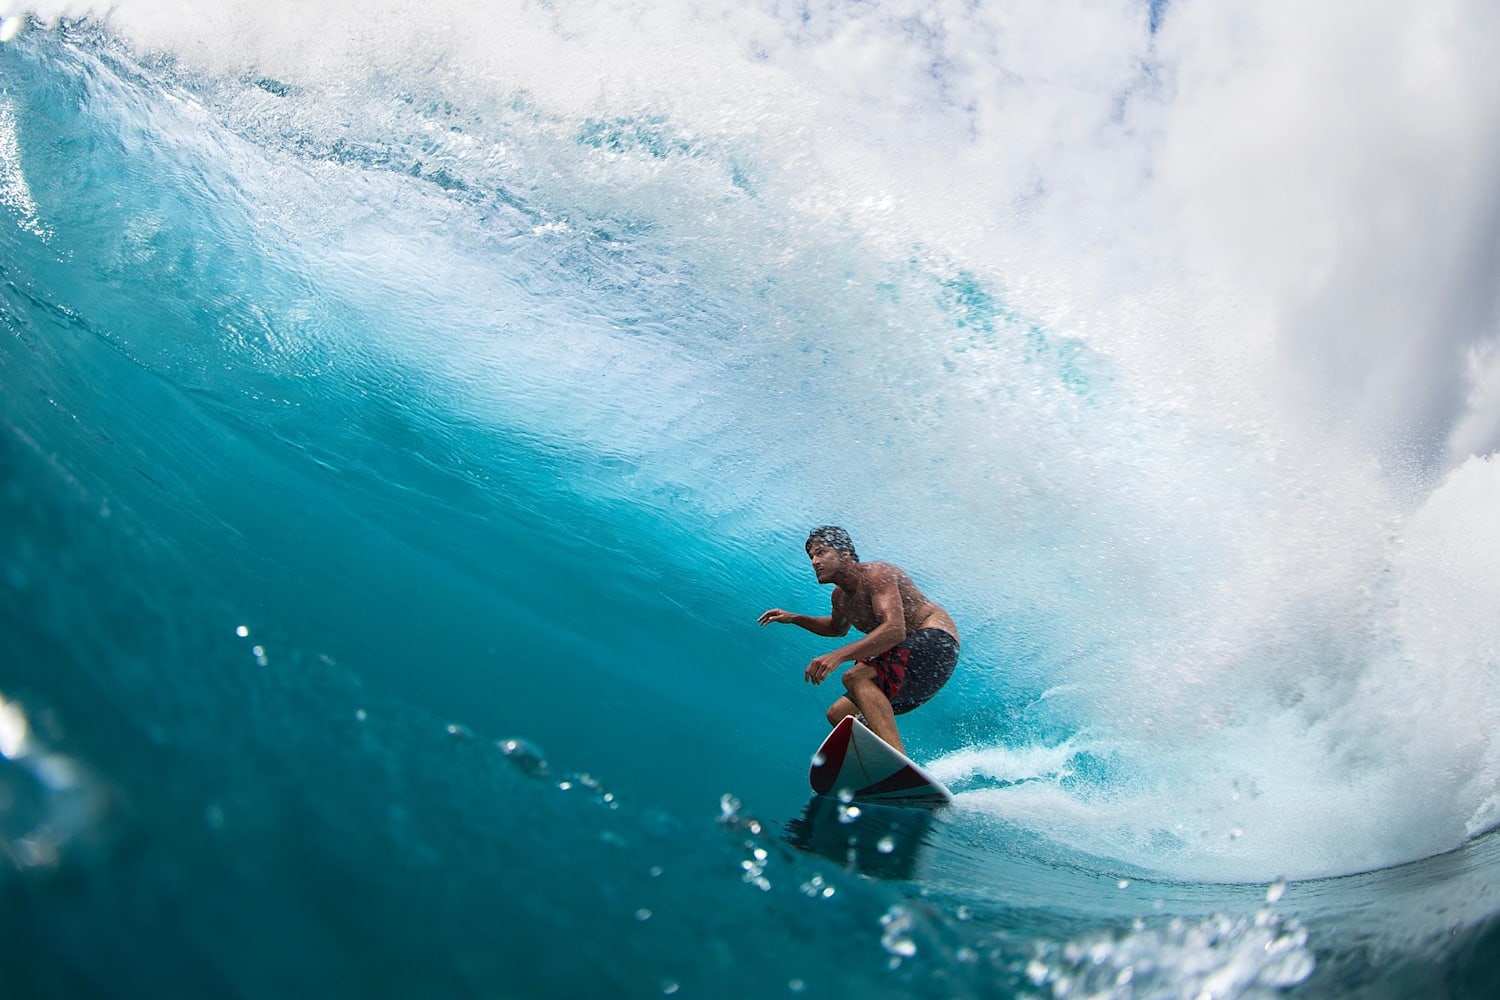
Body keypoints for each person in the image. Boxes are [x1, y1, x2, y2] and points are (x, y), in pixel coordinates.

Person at [758, 526, 959, 755]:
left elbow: (895, 630)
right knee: (840, 714)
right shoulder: (841, 598)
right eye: (811, 556)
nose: (814, 561)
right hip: (909, 660)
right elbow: (836, 628)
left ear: (845, 553)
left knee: (856, 676)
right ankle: (884, 764)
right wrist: (795, 618)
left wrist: (837, 657)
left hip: (937, 643)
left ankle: (899, 759)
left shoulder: (876, 575)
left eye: (821, 553)